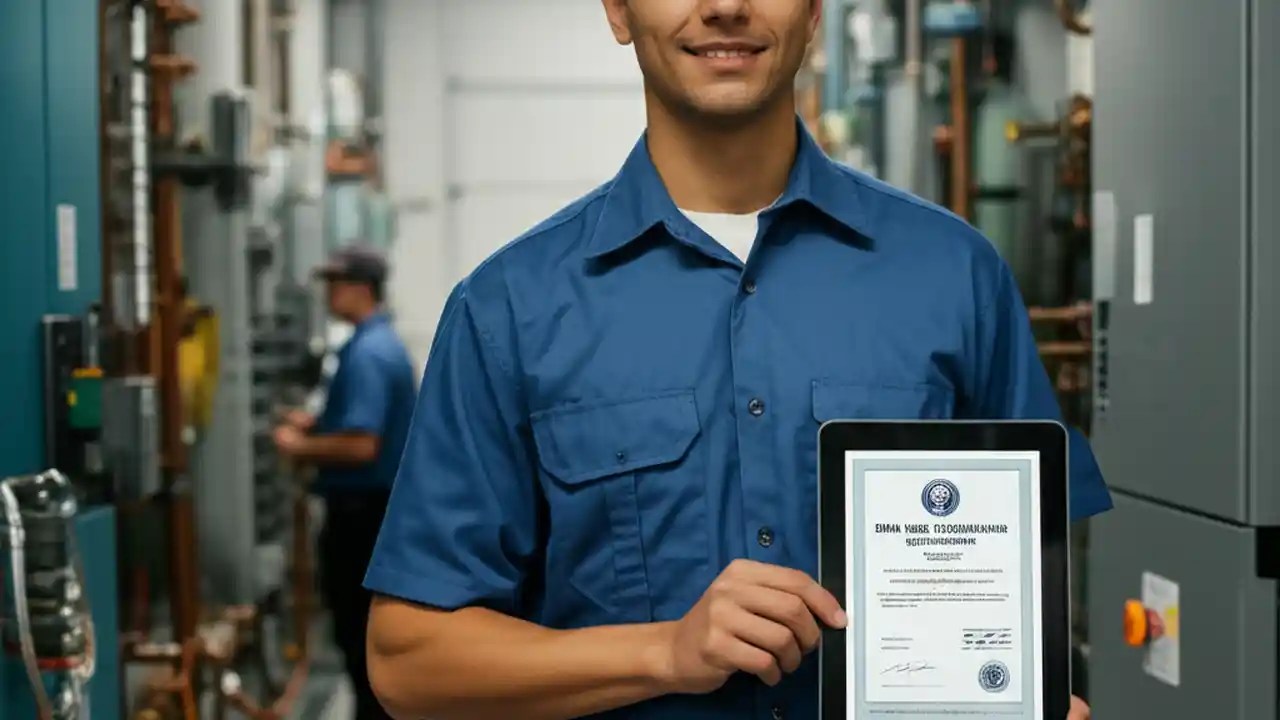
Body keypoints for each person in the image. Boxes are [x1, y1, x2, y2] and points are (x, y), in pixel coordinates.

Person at [363, 1, 1111, 719]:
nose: (725, 5)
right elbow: (409, 662)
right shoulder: (510, 309)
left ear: (815, 11)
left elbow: (1032, 591)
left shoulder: (954, 276)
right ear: (618, 11)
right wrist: (663, 652)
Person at [272, 245, 416, 720]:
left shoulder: (369, 354)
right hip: (374, 514)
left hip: (363, 518)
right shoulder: (373, 344)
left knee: (360, 638)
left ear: (361, 288)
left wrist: (299, 447)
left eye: (336, 283)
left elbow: (362, 446)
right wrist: (316, 425)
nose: (329, 294)